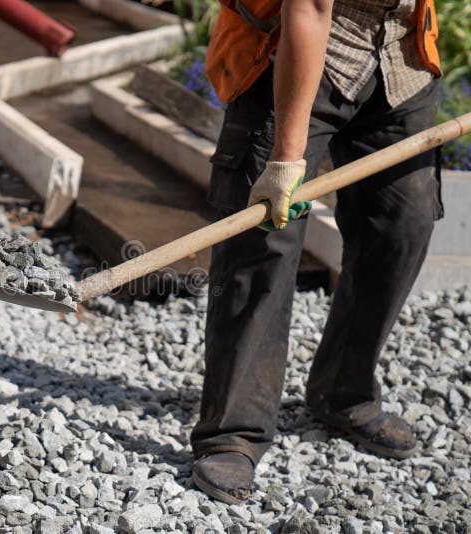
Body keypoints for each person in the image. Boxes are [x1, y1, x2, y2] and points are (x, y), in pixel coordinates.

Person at [189, 0, 443, 504]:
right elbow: (308, 6)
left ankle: (342, 393)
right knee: (264, 237)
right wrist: (285, 159)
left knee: (402, 223)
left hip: (400, 53)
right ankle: (234, 431)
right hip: (296, 43)